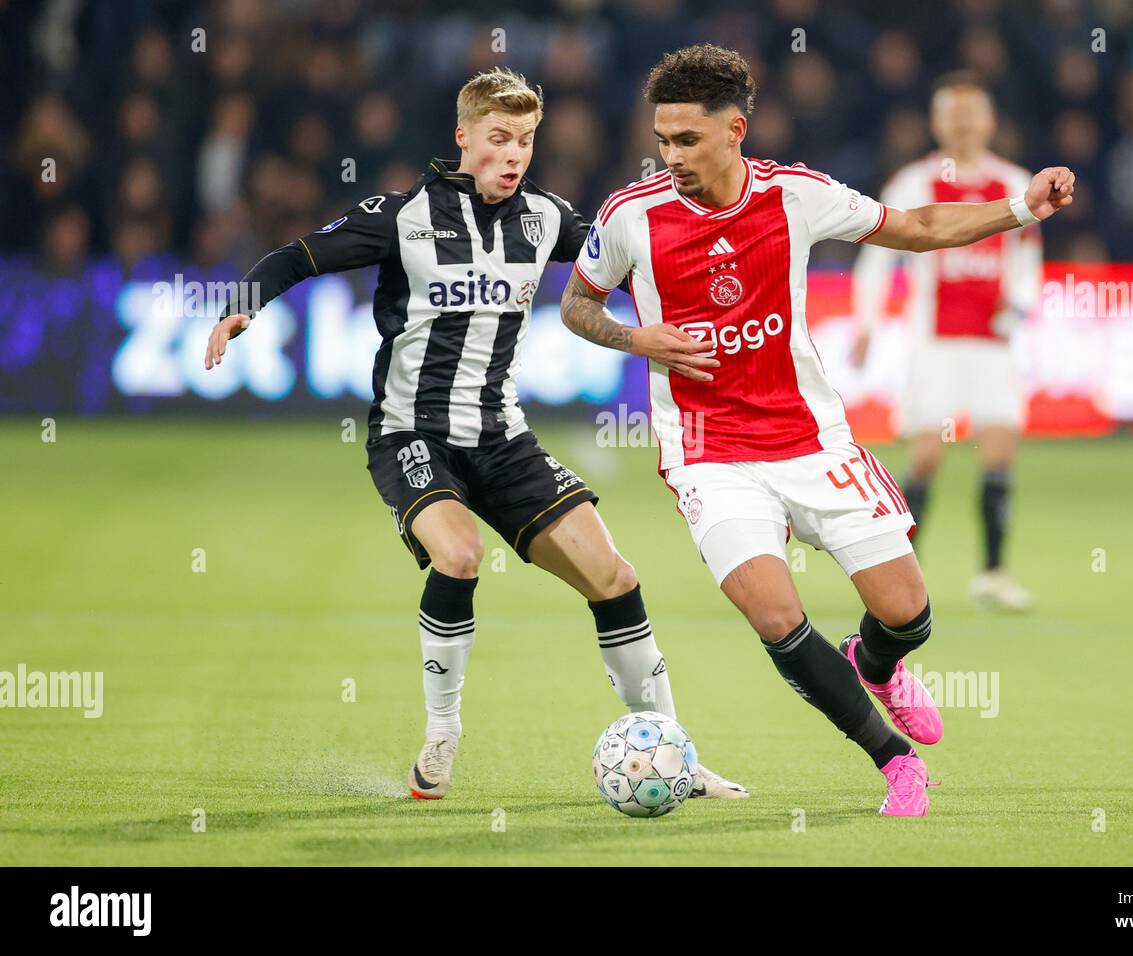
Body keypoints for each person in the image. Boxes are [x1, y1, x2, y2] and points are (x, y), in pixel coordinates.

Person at [204, 67, 746, 802]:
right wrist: (243, 305)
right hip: (411, 434)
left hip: (503, 438)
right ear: (464, 138)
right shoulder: (403, 216)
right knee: (459, 555)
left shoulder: (547, 219)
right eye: (499, 139)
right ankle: (443, 731)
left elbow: (630, 258)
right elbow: (300, 255)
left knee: (616, 578)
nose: (513, 154)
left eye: (525, 139)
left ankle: (675, 754)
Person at [560, 45, 1073, 816]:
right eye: (663, 139)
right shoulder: (631, 216)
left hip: (811, 438)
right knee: (774, 613)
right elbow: (578, 305)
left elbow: (921, 227)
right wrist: (640, 340)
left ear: (735, 130)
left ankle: (875, 662)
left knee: (908, 611)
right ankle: (896, 761)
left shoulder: (795, 196)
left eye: (688, 140)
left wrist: (1023, 208)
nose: (670, 156)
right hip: (709, 454)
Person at [851, 71, 1041, 611]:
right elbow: (875, 256)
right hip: (933, 344)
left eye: (971, 114)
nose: (962, 125)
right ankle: (904, 578)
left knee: (1000, 448)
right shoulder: (912, 183)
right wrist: (866, 322)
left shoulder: (1016, 182)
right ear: (937, 123)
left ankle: (995, 573)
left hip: (993, 344)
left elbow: (1027, 258)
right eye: (952, 116)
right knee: (927, 457)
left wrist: (1020, 303)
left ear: (989, 120)